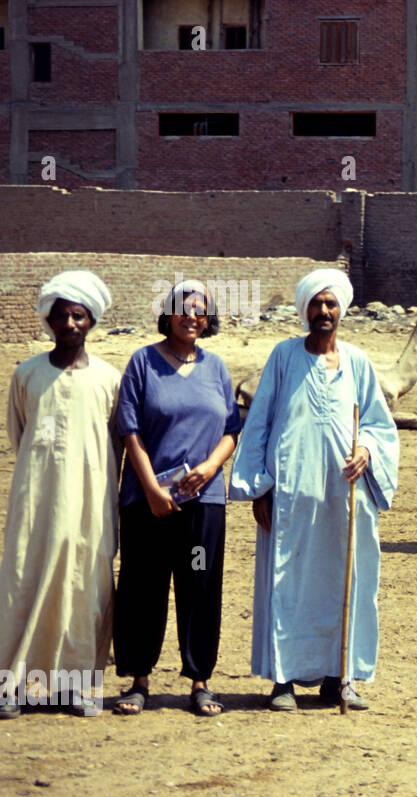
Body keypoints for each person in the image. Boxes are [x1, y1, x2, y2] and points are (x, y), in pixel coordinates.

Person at [229, 269, 398, 711]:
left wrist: (367, 450)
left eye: (331, 304)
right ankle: (283, 680)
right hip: (291, 495)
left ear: (342, 310)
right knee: (290, 579)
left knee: (346, 580)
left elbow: (381, 425)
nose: (324, 311)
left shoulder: (358, 362)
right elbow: (259, 422)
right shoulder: (284, 357)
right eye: (317, 304)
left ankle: (340, 677)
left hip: (344, 497)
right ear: (305, 309)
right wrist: (260, 489)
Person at [112, 280, 242, 717]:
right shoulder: (143, 363)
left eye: (200, 310)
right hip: (149, 506)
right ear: (167, 314)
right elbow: (129, 429)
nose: (192, 316)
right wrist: (150, 489)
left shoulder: (216, 368)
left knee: (199, 581)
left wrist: (210, 468)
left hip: (202, 510)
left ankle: (200, 679)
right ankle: (138, 679)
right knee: (143, 585)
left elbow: (231, 431)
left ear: (208, 319)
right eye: (183, 308)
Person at [0, 271, 120, 718]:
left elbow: (117, 445)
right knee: (22, 582)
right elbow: (19, 435)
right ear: (48, 320)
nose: (70, 323)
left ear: (92, 322)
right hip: (36, 501)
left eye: (79, 315)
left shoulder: (110, 379)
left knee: (84, 586)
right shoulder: (26, 374)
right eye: (62, 315)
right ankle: (15, 684)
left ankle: (78, 687)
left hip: (90, 503)